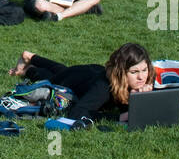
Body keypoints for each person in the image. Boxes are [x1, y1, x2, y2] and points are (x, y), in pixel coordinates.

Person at [8, 44, 156, 123]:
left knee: (61, 69)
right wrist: (117, 118)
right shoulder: (103, 88)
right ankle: (29, 66)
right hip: (74, 80)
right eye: (134, 72)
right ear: (122, 73)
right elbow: (76, 113)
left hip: (90, 74)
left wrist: (142, 99)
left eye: (144, 70)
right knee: (51, 79)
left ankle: (31, 57)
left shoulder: (144, 82)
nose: (141, 77)